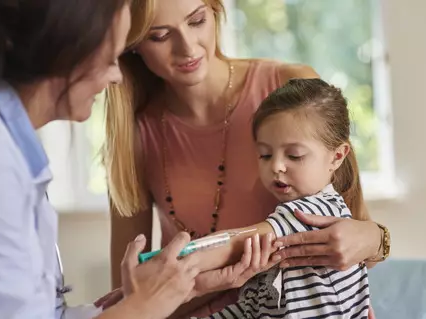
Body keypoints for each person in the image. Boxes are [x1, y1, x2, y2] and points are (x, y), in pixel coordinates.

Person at [103, 0, 390, 316]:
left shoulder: (290, 92)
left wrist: (376, 239)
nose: (187, 47)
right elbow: (129, 290)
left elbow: (361, 242)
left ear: (215, 12)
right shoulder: (134, 134)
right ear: (130, 45)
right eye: (159, 36)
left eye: (196, 21)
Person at [0, 0, 205, 318]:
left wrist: (129, 303)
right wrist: (144, 307)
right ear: (64, 51)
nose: (117, 78)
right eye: (110, 59)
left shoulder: (6, 143)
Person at [188, 78, 373, 318]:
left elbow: (233, 245)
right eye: (265, 155)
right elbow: (255, 308)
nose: (276, 166)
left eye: (294, 156)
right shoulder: (287, 233)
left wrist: (174, 260)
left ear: (337, 156)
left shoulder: (313, 213)